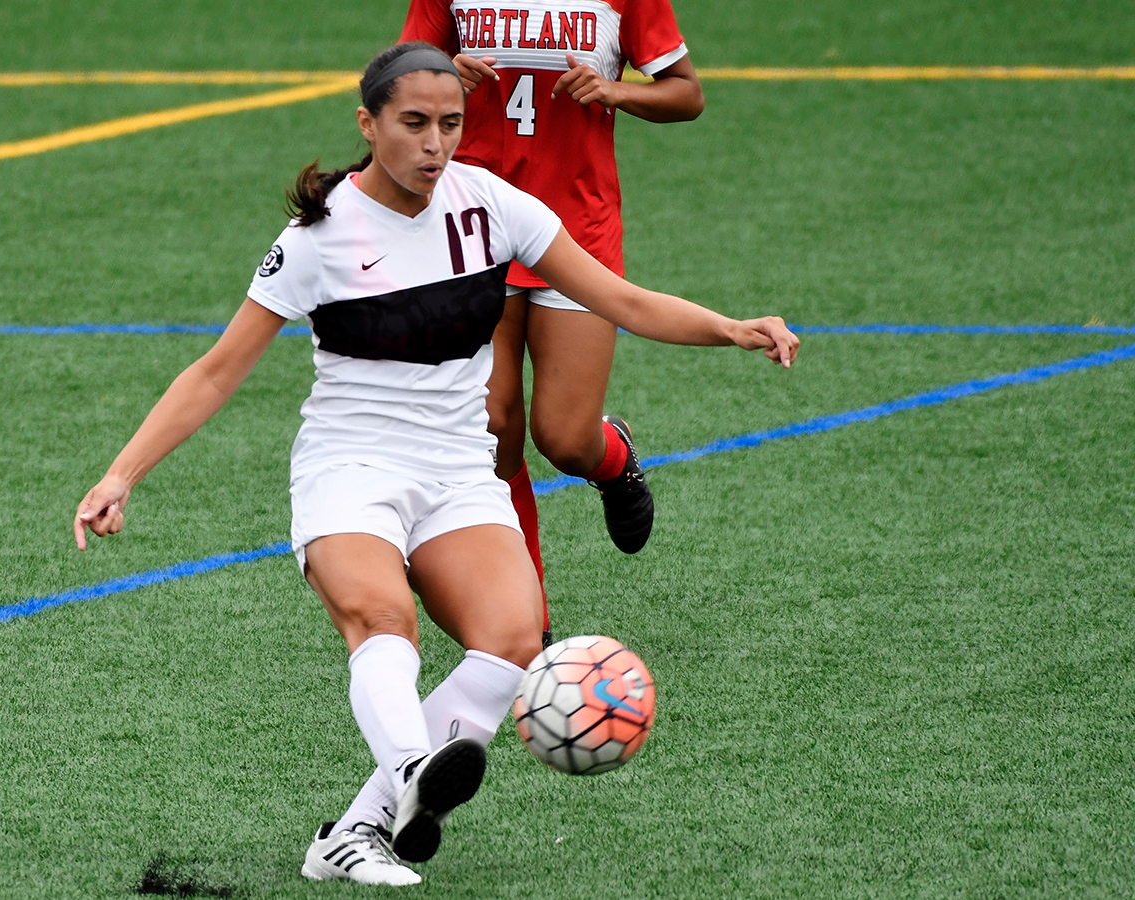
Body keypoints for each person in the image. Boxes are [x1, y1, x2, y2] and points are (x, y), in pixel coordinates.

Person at [74, 43, 796, 887]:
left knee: (513, 641)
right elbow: (215, 371)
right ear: (368, 123)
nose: (435, 144)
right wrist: (122, 474)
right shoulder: (317, 239)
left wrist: (731, 328)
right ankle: (415, 770)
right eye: (414, 123)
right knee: (383, 619)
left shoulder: (491, 204)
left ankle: (354, 832)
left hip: (457, 471)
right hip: (351, 470)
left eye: (450, 124)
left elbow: (622, 300)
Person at [400, 0, 708, 640]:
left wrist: (616, 91)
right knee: (493, 431)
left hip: (578, 229)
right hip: (474, 226)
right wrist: (442, 76)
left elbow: (686, 95)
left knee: (565, 440)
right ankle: (528, 624)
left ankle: (614, 459)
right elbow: (397, 80)